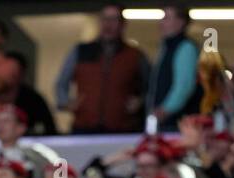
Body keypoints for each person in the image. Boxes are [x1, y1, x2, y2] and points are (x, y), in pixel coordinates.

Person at [56, 4, 149, 135]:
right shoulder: (81, 51)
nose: (108, 24)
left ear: (123, 24)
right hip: (84, 126)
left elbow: (150, 86)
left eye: (114, 19)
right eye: (105, 19)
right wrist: (65, 102)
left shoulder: (135, 55)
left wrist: (140, 102)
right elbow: (62, 81)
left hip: (122, 128)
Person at [146, 5, 199, 133]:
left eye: (167, 18)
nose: (161, 23)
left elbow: (184, 85)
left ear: (180, 22)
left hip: (177, 123)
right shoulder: (166, 48)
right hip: (167, 122)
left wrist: (165, 110)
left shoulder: (185, 48)